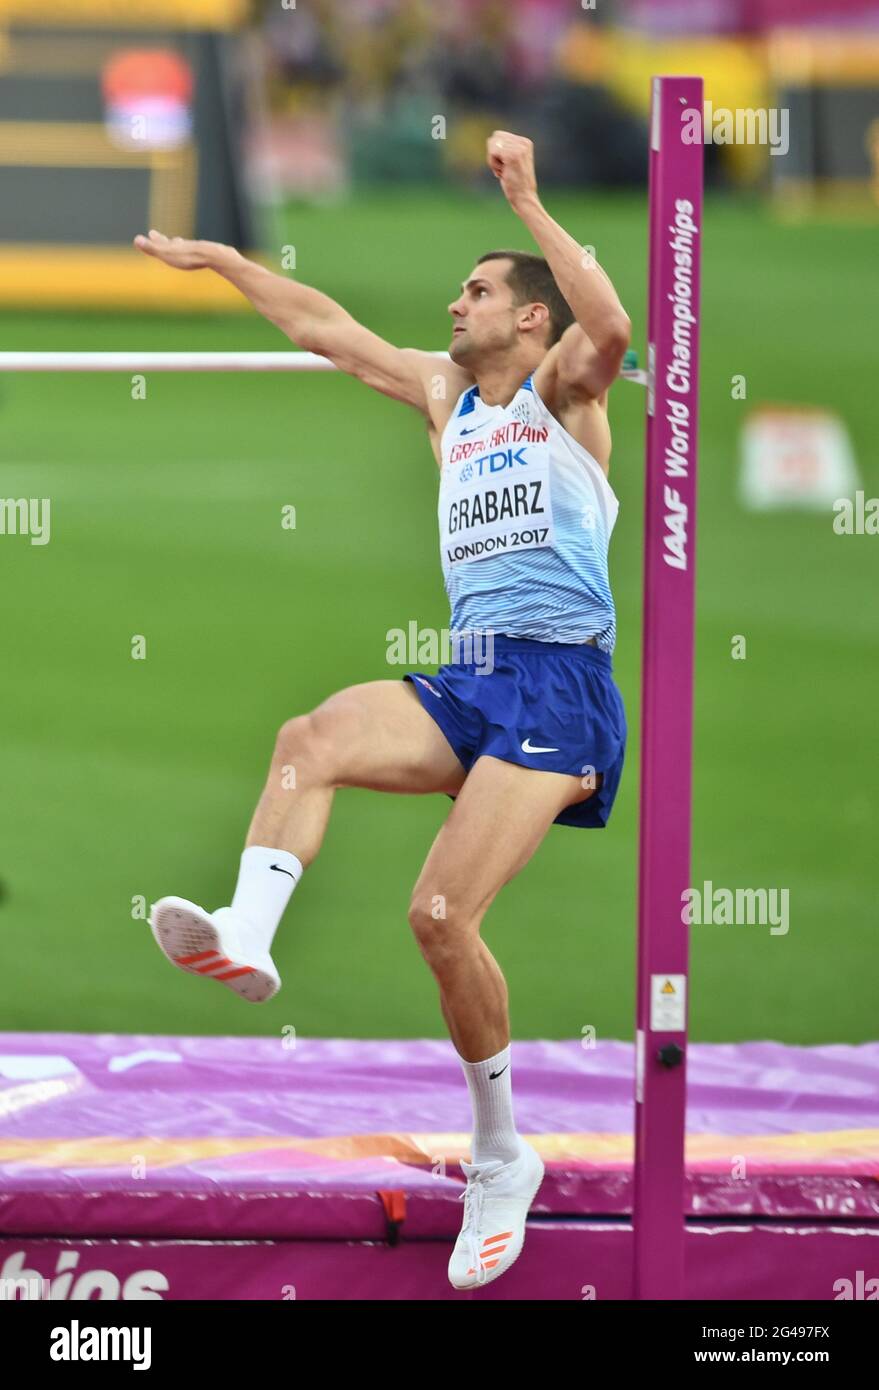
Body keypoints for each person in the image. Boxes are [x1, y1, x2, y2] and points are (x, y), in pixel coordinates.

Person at [135, 131, 630, 1290]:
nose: (454, 302)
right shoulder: (445, 393)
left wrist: (532, 201)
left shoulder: (565, 393)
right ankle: (248, 935)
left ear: (526, 320)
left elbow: (607, 328)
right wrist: (221, 260)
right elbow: (323, 325)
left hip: (562, 687)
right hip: (475, 677)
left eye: (478, 290)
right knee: (309, 740)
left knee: (441, 916)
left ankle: (503, 1154)